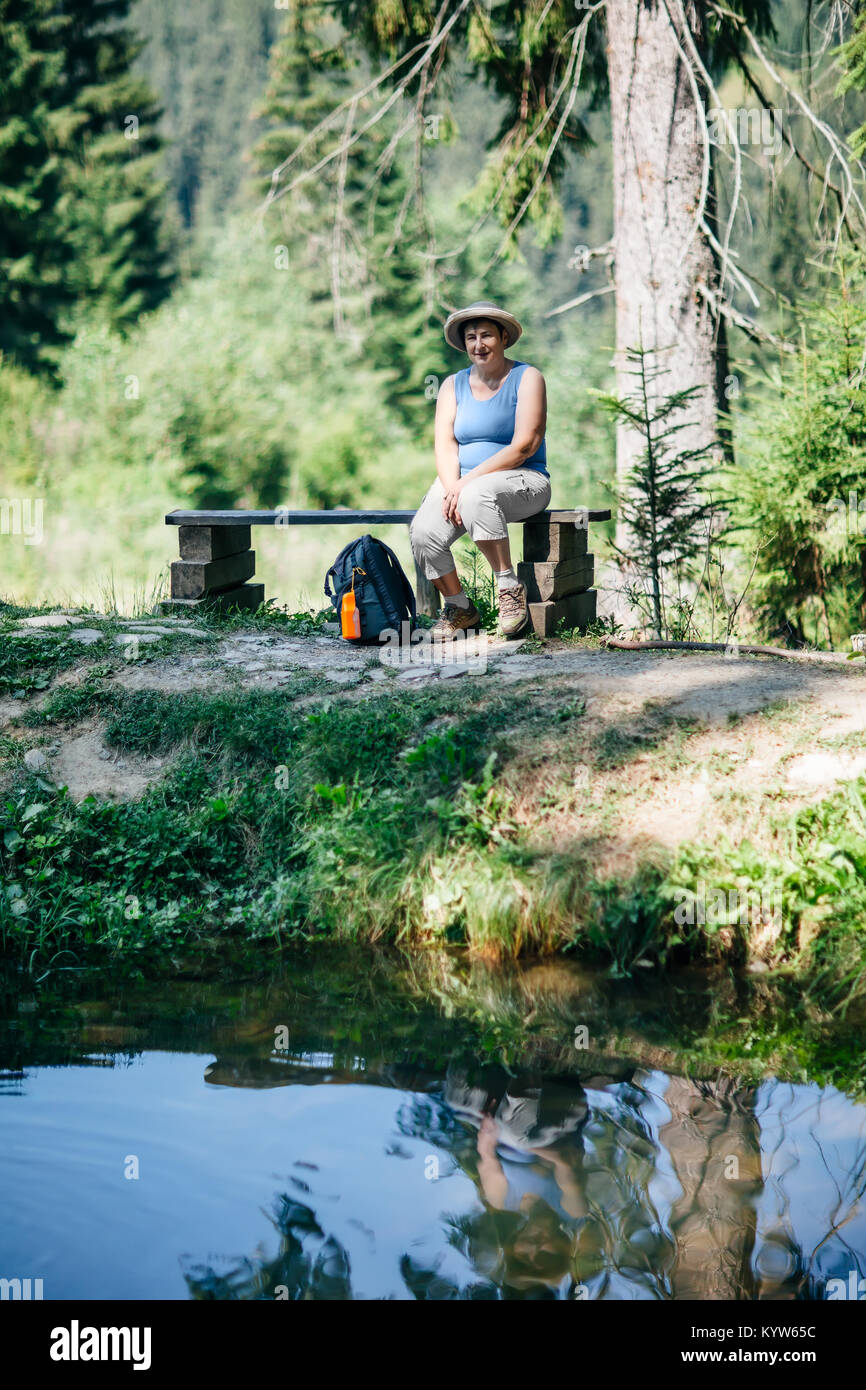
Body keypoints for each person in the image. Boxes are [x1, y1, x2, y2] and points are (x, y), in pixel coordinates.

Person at [409, 300, 551, 640]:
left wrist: (466, 483)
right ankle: (460, 608)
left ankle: (508, 590)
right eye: (471, 337)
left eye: (486, 335)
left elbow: (525, 445)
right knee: (423, 533)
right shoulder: (451, 386)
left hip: (524, 480)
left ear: (503, 338)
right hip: (462, 484)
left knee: (476, 494)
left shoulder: (527, 377)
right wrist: (450, 486)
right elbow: (444, 445)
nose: (478, 344)